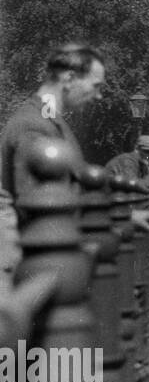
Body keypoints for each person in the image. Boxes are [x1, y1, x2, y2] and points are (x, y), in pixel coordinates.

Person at [0, 42, 105, 284]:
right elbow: (35, 207)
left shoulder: (48, 119)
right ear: (69, 78)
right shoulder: (34, 124)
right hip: (27, 264)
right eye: (96, 85)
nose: (98, 96)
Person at [104, 134, 149, 209]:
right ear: (137, 149)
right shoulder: (128, 161)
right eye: (147, 152)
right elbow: (133, 187)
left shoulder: (141, 164)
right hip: (110, 203)